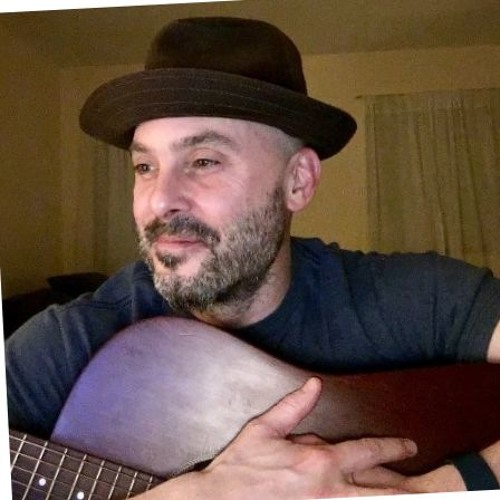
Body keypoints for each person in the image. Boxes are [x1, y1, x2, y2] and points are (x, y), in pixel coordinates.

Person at [6, 16, 500, 498]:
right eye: (144, 166)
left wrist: (424, 490)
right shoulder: (67, 346)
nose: (159, 201)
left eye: (203, 160)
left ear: (298, 181)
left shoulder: (426, 299)